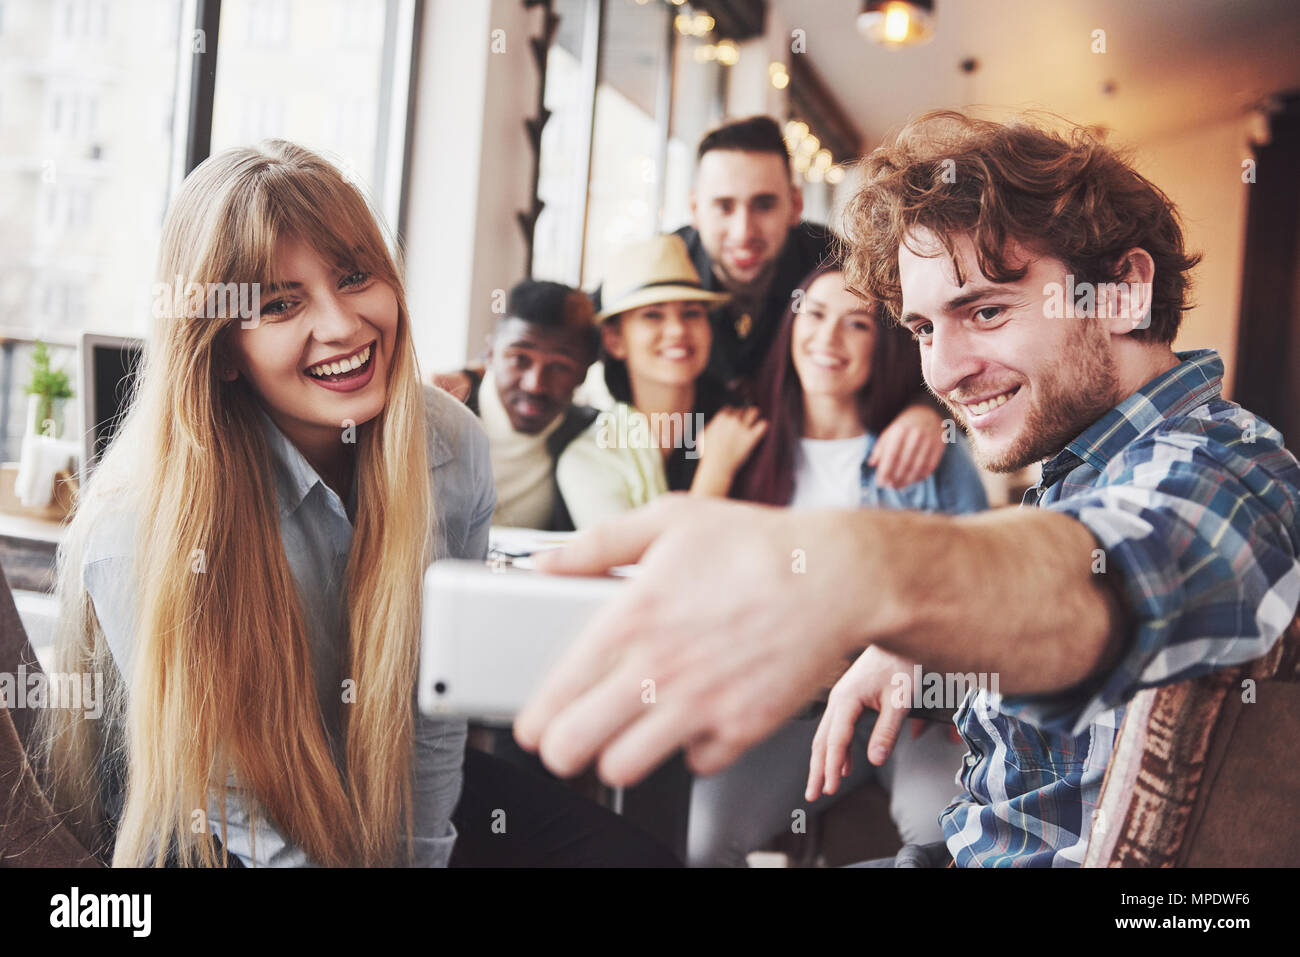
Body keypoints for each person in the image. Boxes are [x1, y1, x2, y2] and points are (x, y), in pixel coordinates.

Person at [514, 110, 1300, 868]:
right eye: (924, 329)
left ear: (1123, 292)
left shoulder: (1229, 468)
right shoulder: (1088, 468)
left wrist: (869, 572)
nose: (944, 372)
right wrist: (932, 658)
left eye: (985, 310)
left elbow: (1130, 562)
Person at [37, 141, 674, 868]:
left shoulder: (451, 446)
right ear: (219, 350)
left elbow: (433, 712)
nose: (343, 325)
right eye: (280, 303)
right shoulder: (139, 521)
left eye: (354, 276)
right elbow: (231, 799)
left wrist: (425, 857)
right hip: (207, 822)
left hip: (376, 770)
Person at [685, 260, 987, 866]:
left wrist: (961, 683)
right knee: (702, 841)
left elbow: (983, 582)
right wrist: (714, 470)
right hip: (793, 709)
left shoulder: (928, 451)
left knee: (950, 839)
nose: (828, 339)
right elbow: (694, 573)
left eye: (857, 325)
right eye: (814, 315)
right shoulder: (744, 442)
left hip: (916, 710)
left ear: (884, 347)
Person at [555, 233, 765, 529]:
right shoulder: (590, 457)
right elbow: (638, 564)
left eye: (691, 313)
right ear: (614, 340)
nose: (677, 330)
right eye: (653, 316)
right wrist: (717, 469)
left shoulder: (745, 426)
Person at [462, 279, 600, 530]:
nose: (535, 385)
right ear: (491, 353)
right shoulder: (442, 418)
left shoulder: (588, 436)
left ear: (583, 373)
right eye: (520, 359)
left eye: (559, 366)